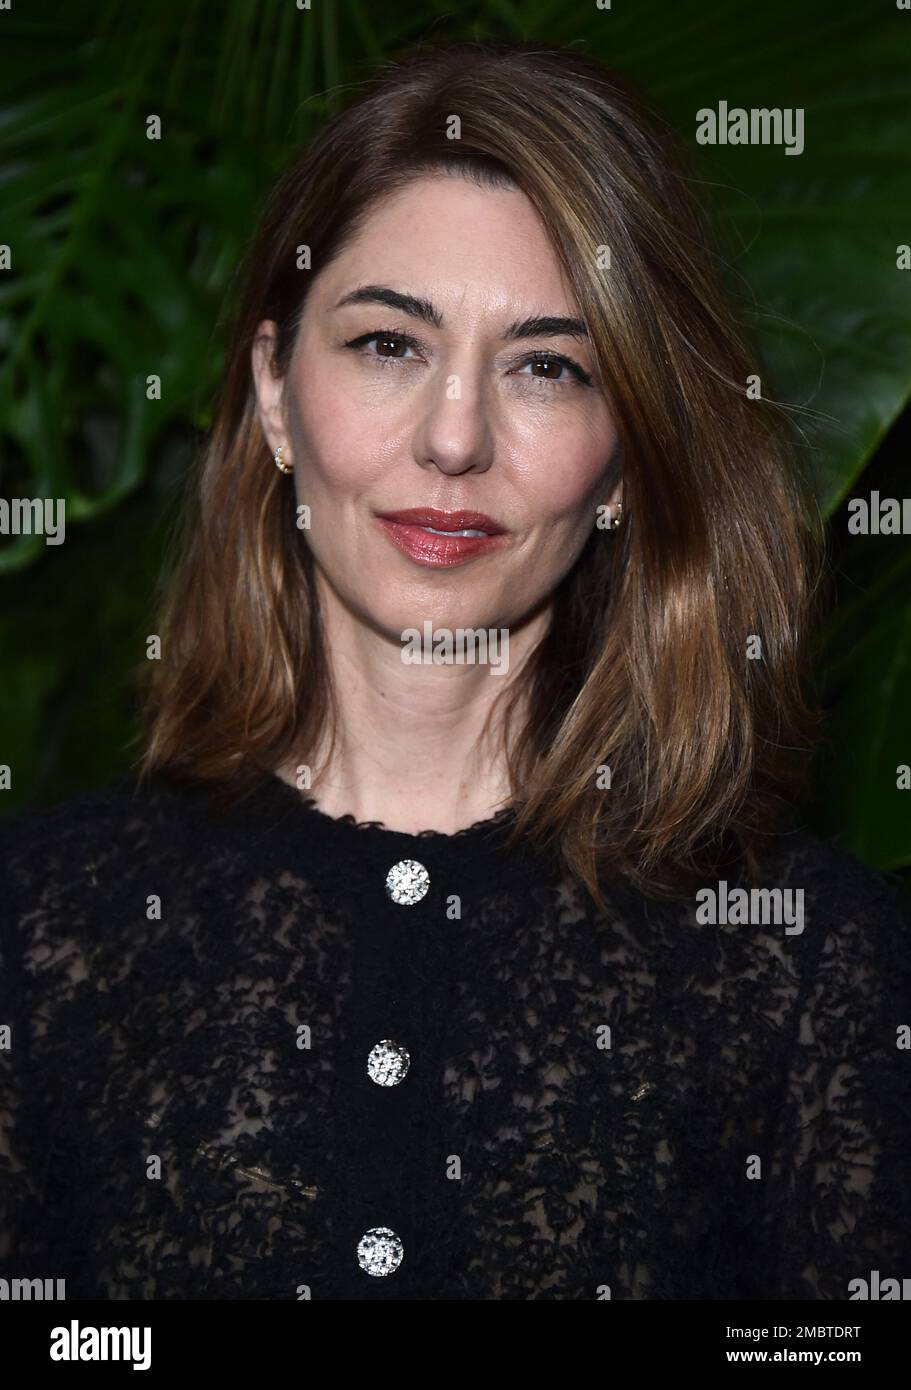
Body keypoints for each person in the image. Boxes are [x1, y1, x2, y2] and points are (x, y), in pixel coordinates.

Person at [1, 37, 909, 1302]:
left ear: (629, 451)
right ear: (272, 391)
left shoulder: (817, 966)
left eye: (548, 365)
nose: (453, 437)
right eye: (387, 344)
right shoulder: (38, 930)